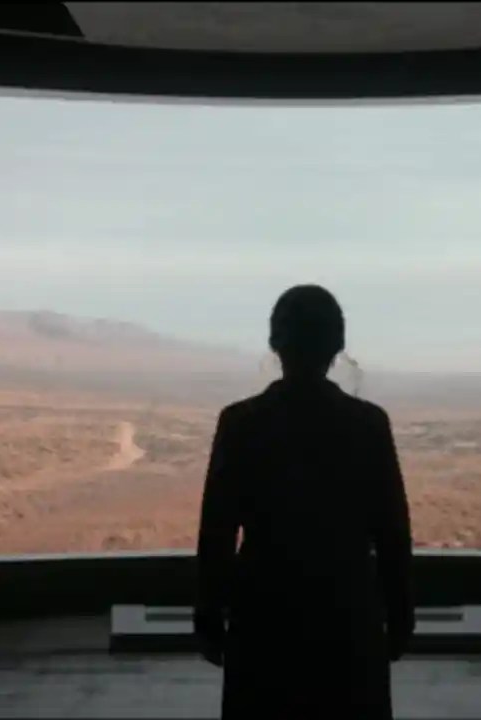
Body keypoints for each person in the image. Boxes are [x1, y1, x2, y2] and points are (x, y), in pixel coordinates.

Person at [195, 284, 415, 720]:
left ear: (276, 342)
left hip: (264, 616)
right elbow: (392, 531)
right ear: (337, 345)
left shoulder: (240, 424)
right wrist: (400, 615)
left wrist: (208, 615)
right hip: (347, 613)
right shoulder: (369, 425)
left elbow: (217, 531)